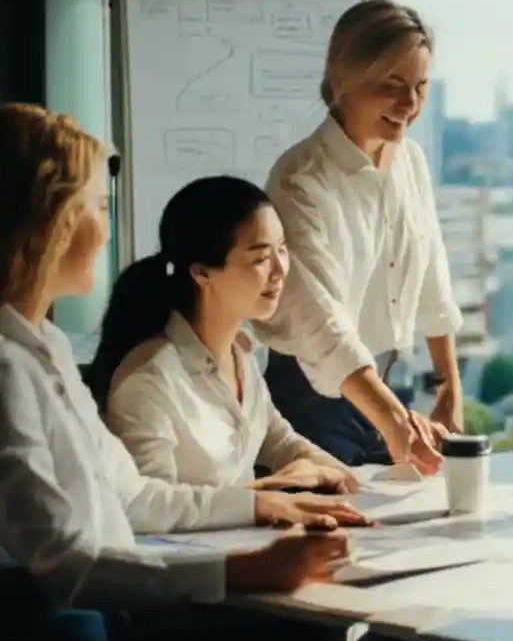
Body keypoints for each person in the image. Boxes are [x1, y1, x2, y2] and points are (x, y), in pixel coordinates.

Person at [0, 104, 366, 638]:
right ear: (46, 222)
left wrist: (264, 504)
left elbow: (135, 497)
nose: (106, 233)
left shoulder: (45, 347)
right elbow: (67, 565)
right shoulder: (9, 370)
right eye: (97, 208)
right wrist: (243, 570)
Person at [256, 0, 463, 471]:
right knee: (341, 530)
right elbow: (322, 324)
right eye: (392, 85)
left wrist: (449, 390)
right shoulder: (301, 180)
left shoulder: (410, 161)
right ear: (342, 79)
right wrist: (394, 421)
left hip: (387, 386)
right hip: (312, 397)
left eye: (421, 87)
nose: (410, 105)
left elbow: (433, 275)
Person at [87, 176, 355, 493]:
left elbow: (281, 441)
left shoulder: (242, 354)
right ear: (202, 273)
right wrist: (268, 492)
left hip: (250, 539)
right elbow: (151, 507)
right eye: (260, 258)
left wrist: (345, 479)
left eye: (281, 250)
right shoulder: (150, 379)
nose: (280, 270)